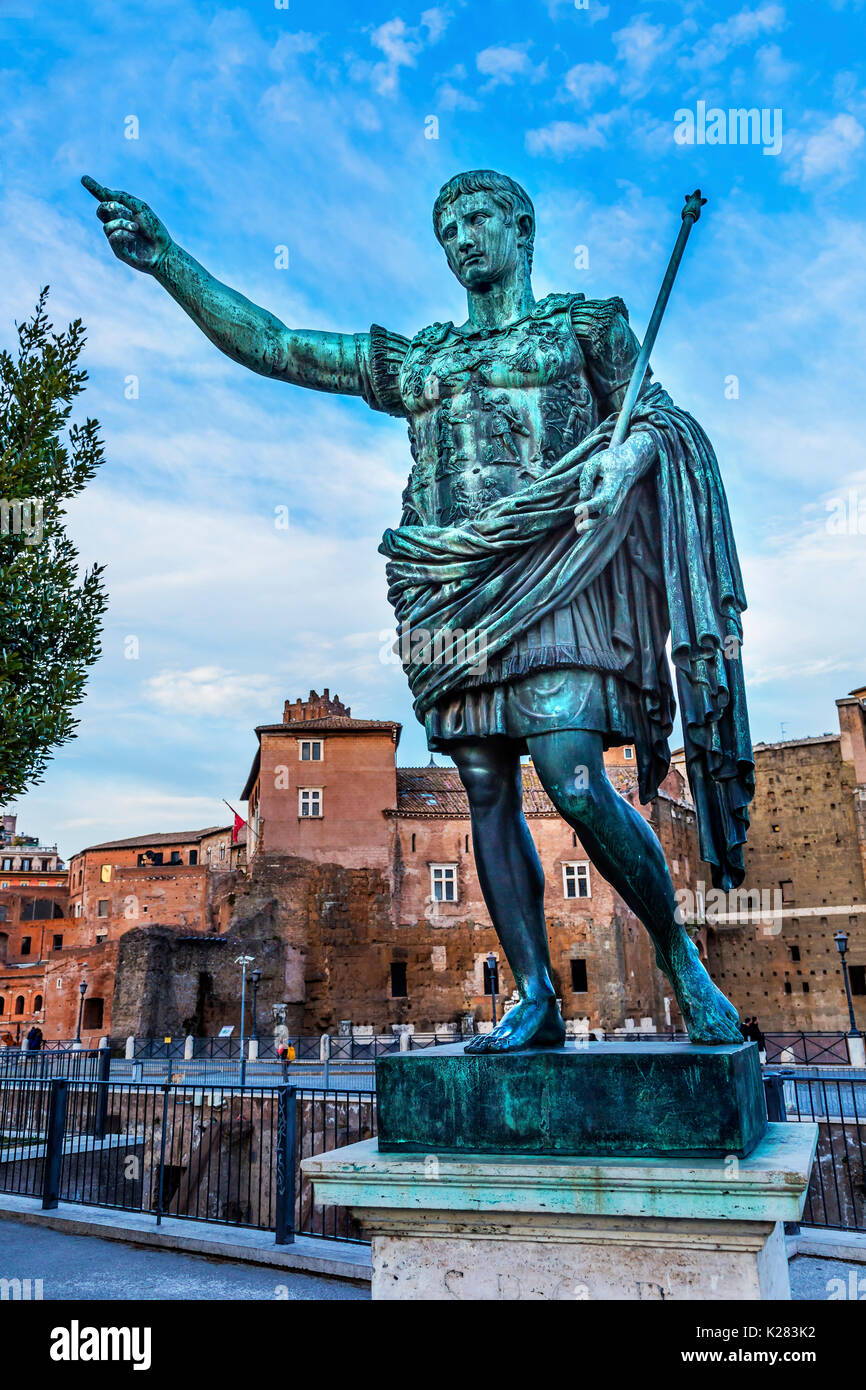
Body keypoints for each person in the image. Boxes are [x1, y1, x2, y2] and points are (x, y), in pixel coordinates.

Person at [82, 168, 753, 1051]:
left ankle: (676, 953)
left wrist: (628, 459)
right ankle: (537, 997)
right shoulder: (423, 358)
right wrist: (170, 261)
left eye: (479, 218)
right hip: (449, 589)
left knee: (575, 778)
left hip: (557, 569)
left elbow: (662, 421)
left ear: (523, 228)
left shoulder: (586, 329)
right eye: (448, 229)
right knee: (483, 788)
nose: (464, 238)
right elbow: (279, 345)